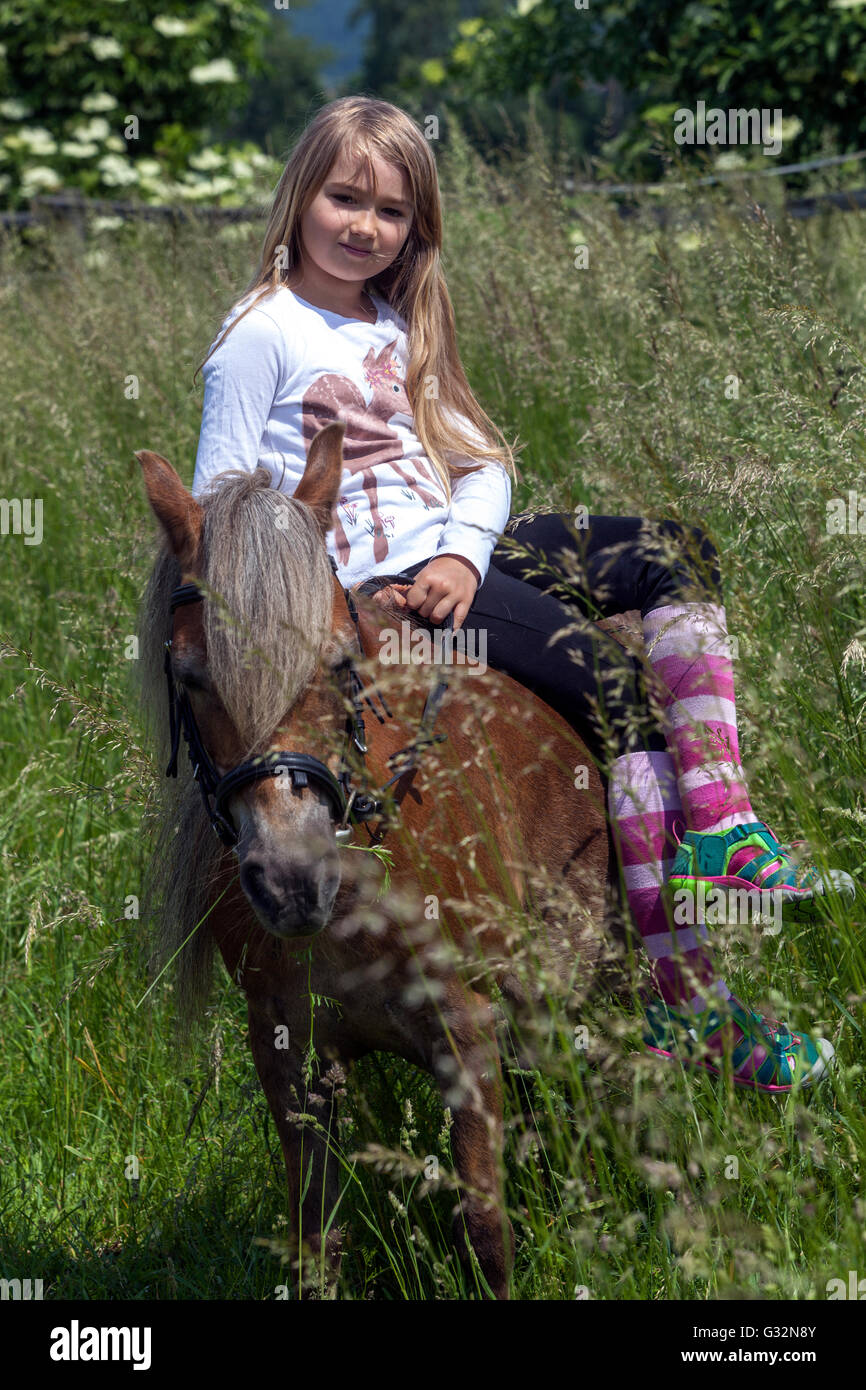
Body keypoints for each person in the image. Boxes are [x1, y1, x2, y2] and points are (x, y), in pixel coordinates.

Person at [191, 94, 855, 1093]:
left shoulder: (393, 318)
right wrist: (371, 587)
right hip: (381, 584)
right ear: (298, 198)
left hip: (457, 553)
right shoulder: (260, 334)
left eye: (393, 212)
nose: (366, 227)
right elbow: (223, 512)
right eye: (345, 199)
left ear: (416, 227)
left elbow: (482, 459)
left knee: (671, 552)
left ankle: (719, 822)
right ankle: (685, 999)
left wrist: (463, 549)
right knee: (615, 693)